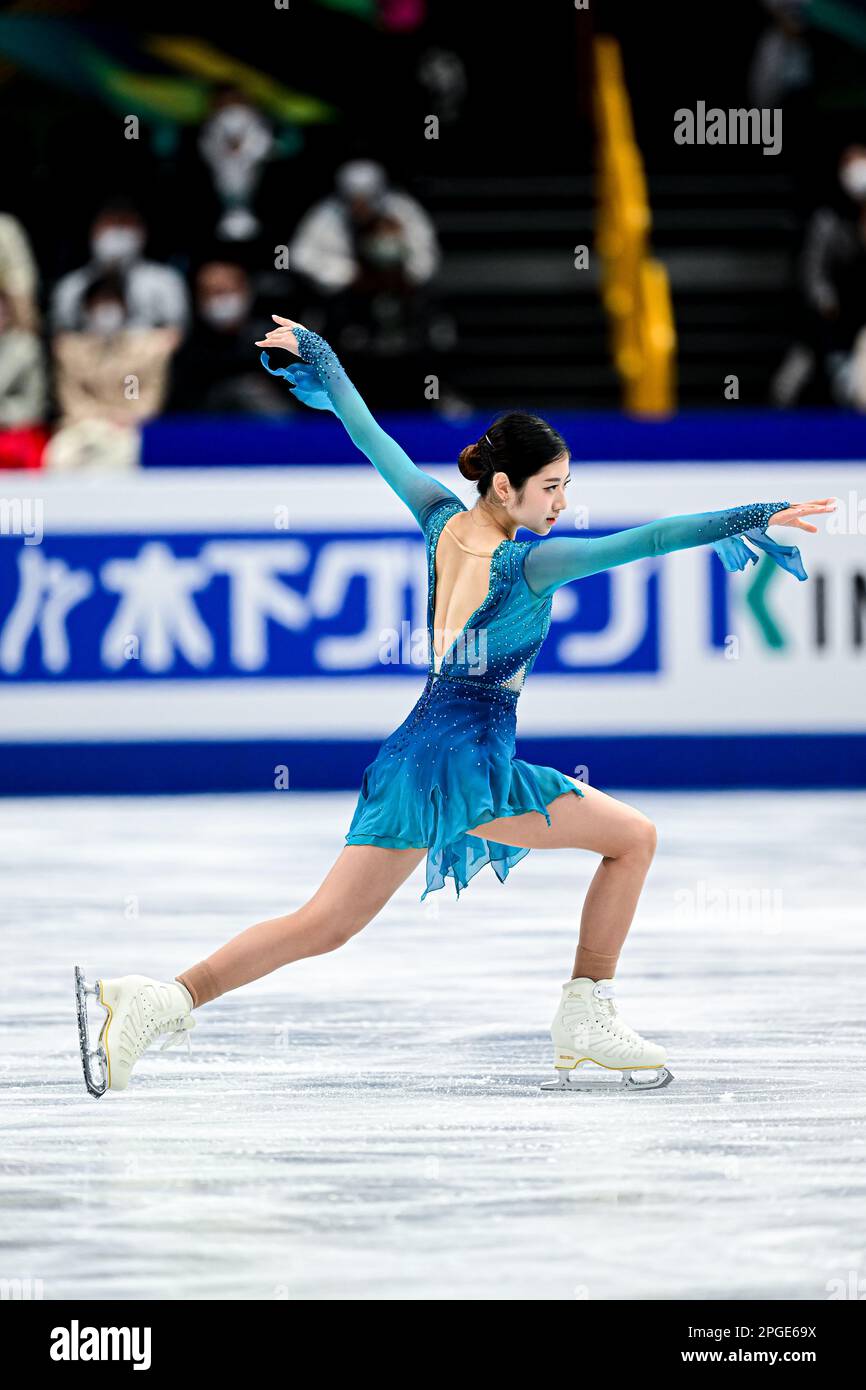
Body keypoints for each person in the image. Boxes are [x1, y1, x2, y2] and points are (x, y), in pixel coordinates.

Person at [74, 316, 836, 1098]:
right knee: (630, 840)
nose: (563, 504)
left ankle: (158, 999)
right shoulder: (532, 563)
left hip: (424, 751)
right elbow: (649, 540)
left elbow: (369, 434)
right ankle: (584, 1018)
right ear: (504, 486)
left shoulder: (438, 516)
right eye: (551, 488)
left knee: (326, 924)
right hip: (462, 764)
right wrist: (754, 514)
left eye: (567, 487)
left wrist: (326, 360)